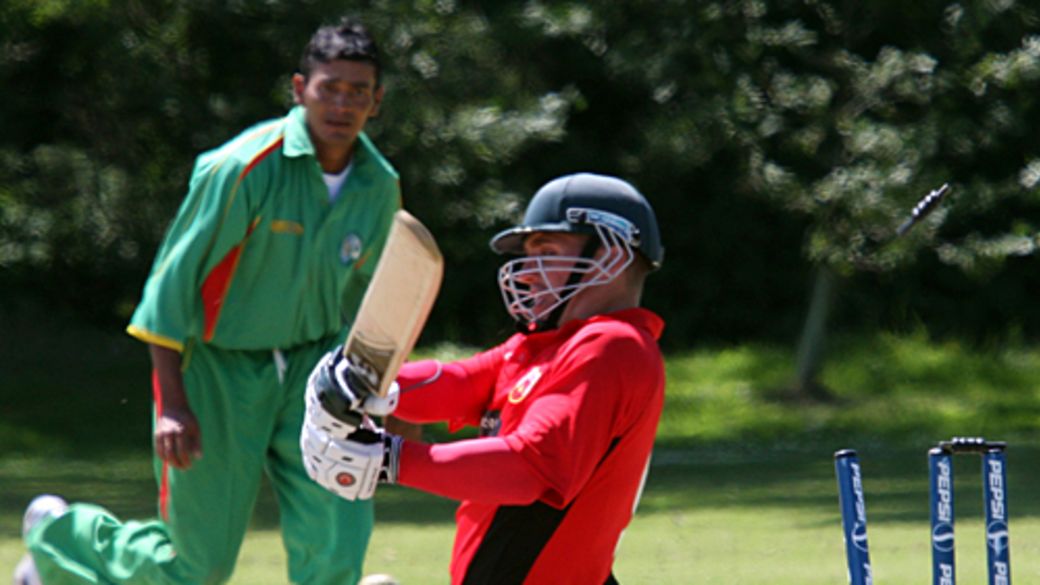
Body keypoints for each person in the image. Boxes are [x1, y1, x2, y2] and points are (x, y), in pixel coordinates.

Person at [16, 16, 399, 585]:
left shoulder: (379, 184)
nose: (342, 105)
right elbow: (171, 285)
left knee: (337, 537)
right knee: (197, 568)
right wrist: (173, 404)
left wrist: (387, 392)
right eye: (330, 89)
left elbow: (376, 298)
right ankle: (60, 538)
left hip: (314, 369)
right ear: (301, 89)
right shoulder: (241, 168)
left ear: (376, 101)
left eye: (358, 92)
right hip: (217, 368)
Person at [301, 172, 667, 584]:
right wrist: (370, 378)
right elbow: (463, 382)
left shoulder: (613, 346)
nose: (527, 273)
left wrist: (390, 459)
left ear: (611, 256)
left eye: (547, 251)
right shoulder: (547, 345)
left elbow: (529, 466)